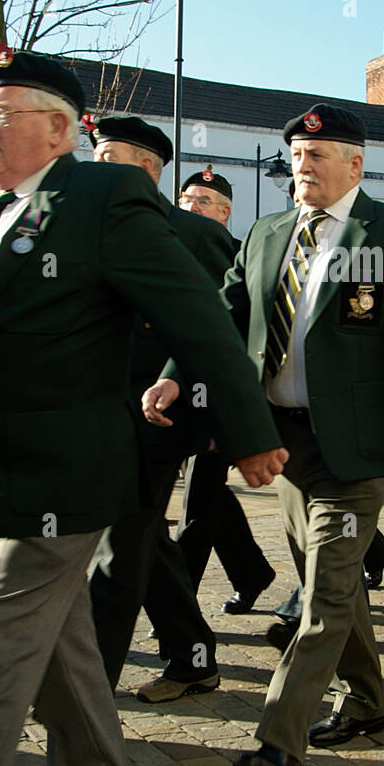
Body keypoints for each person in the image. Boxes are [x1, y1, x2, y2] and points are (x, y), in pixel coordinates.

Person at [0, 51, 286, 766]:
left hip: (64, 476)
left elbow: (197, 318)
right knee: (65, 652)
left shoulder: (102, 198)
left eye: (2, 114)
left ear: (58, 127)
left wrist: (247, 428)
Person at [144, 102, 384, 766]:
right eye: (295, 157)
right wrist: (172, 374)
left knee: (320, 594)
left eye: (316, 157)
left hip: (357, 445)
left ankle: (278, 743)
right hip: (281, 443)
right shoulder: (268, 233)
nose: (301, 167)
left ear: (354, 164)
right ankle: (369, 702)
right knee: (334, 586)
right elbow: (221, 315)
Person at [84, 115, 245, 703]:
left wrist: (209, 416)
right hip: (95, 413)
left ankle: (87, 689)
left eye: (111, 159)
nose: (95, 169)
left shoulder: (194, 235)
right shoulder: (85, 230)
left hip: (158, 416)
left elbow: (215, 328)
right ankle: (191, 657)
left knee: (119, 545)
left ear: (149, 169)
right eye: (94, 157)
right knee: (146, 541)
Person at [170, 166, 276, 617]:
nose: (191, 207)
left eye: (202, 201)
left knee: (198, 500)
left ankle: (179, 607)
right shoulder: (169, 251)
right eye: (186, 199)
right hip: (172, 391)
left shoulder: (238, 258)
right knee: (211, 497)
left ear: (225, 212)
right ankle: (252, 573)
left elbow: (229, 336)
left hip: (211, 398)